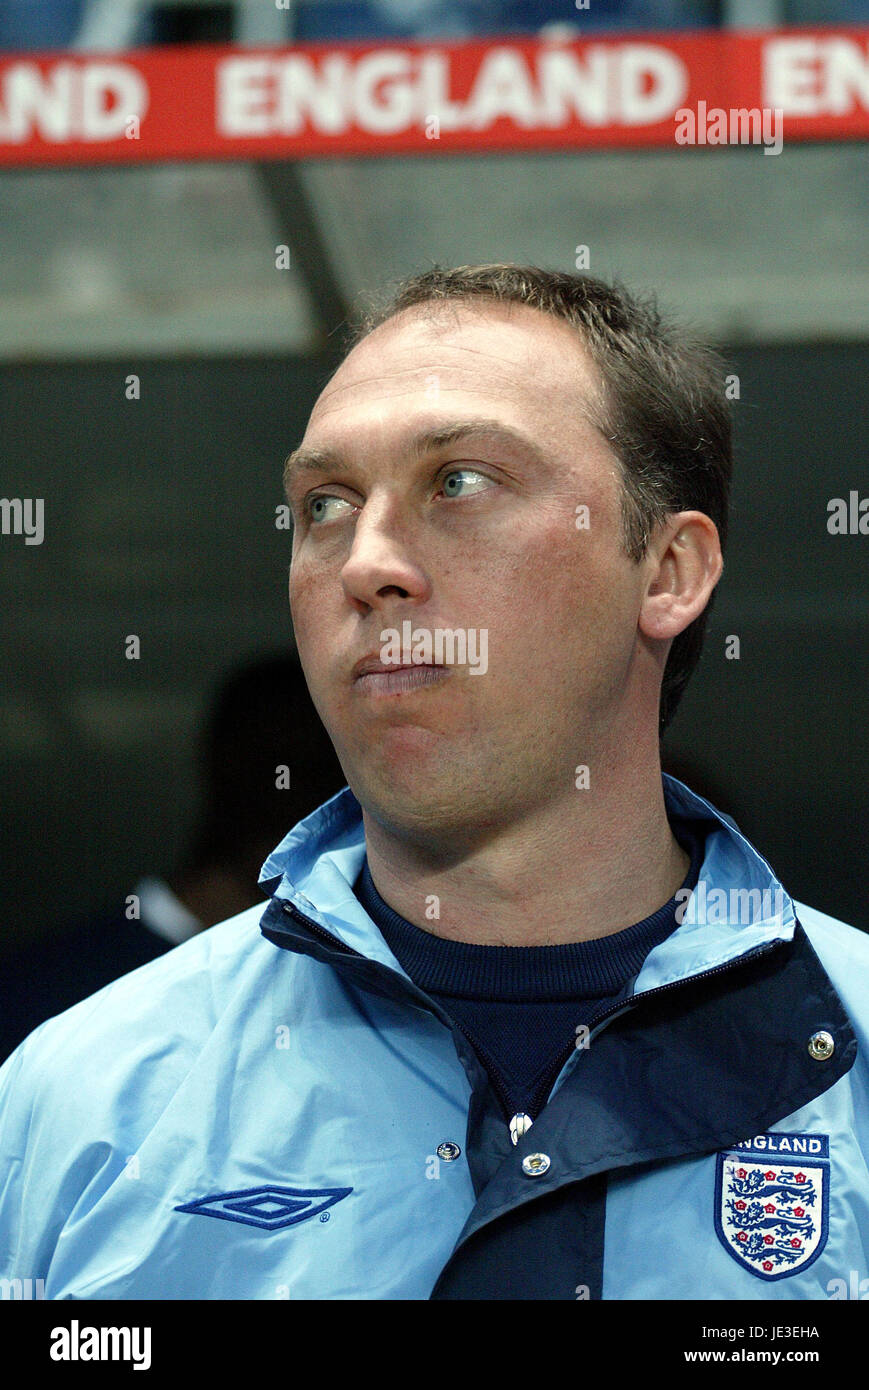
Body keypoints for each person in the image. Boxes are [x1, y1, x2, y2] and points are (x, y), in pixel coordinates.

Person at [1, 264, 866, 1300]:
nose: (364, 560)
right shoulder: (76, 1104)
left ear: (667, 570)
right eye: (324, 503)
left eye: (458, 480)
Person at [0, 652, 345, 1063]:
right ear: (217, 766)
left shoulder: (365, 988)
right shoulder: (46, 994)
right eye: (270, 765)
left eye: (320, 769)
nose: (288, 792)